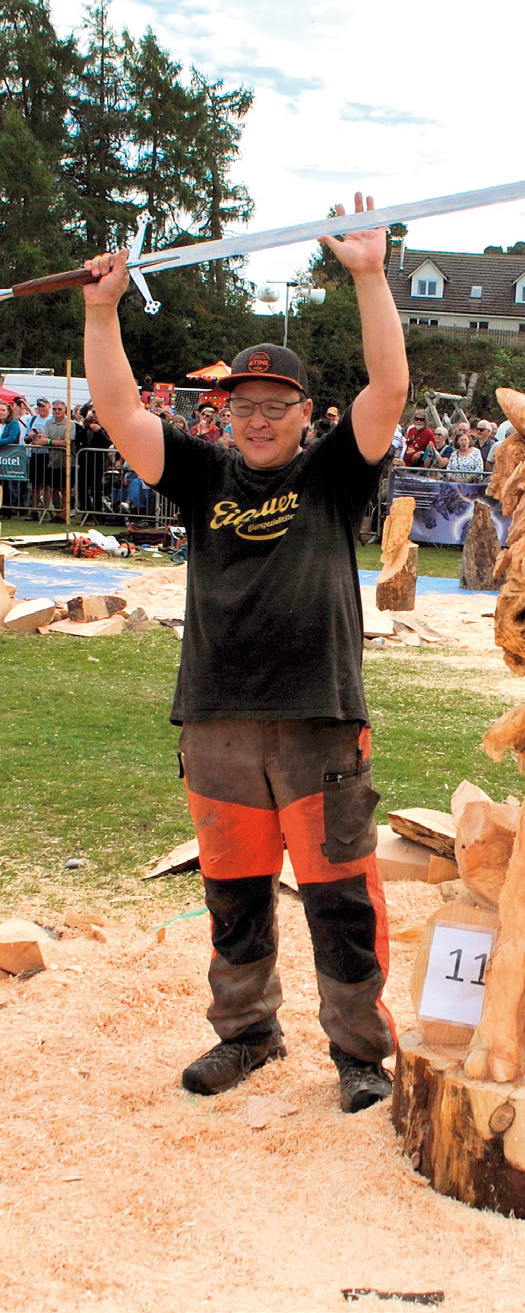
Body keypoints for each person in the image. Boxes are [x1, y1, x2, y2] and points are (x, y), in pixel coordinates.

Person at [82, 196, 409, 1112]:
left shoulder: (334, 474)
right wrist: (101, 313)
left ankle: (359, 1054)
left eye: (275, 406)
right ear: (222, 413)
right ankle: (248, 1036)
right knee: (234, 898)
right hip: (218, 721)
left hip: (319, 722)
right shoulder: (199, 477)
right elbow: (113, 404)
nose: (257, 420)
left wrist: (370, 276)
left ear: (307, 414)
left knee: (341, 902)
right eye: (242, 406)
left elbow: (388, 389)